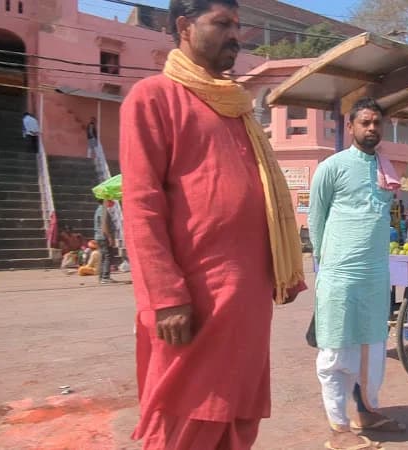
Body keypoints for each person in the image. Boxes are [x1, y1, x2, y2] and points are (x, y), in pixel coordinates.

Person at [119, 0, 306, 447]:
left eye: (238, 26)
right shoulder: (154, 96)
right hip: (193, 300)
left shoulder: (237, 106)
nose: (235, 35)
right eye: (222, 23)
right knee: (185, 421)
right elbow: (141, 205)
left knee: (238, 418)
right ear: (184, 26)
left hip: (247, 297)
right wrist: (164, 296)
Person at [309, 98, 403, 450]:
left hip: (376, 275)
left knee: (372, 346)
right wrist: (326, 266)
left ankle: (368, 411)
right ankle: (338, 428)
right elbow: (316, 221)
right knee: (336, 349)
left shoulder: (385, 169)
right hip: (339, 274)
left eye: (377, 123)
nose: (372, 129)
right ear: (350, 127)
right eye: (365, 122)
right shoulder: (331, 168)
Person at [94, 199, 116, 283]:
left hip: (99, 237)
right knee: (107, 256)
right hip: (104, 237)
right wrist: (110, 238)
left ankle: (102, 277)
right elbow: (104, 227)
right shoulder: (103, 210)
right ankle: (105, 277)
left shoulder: (99, 209)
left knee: (103, 257)